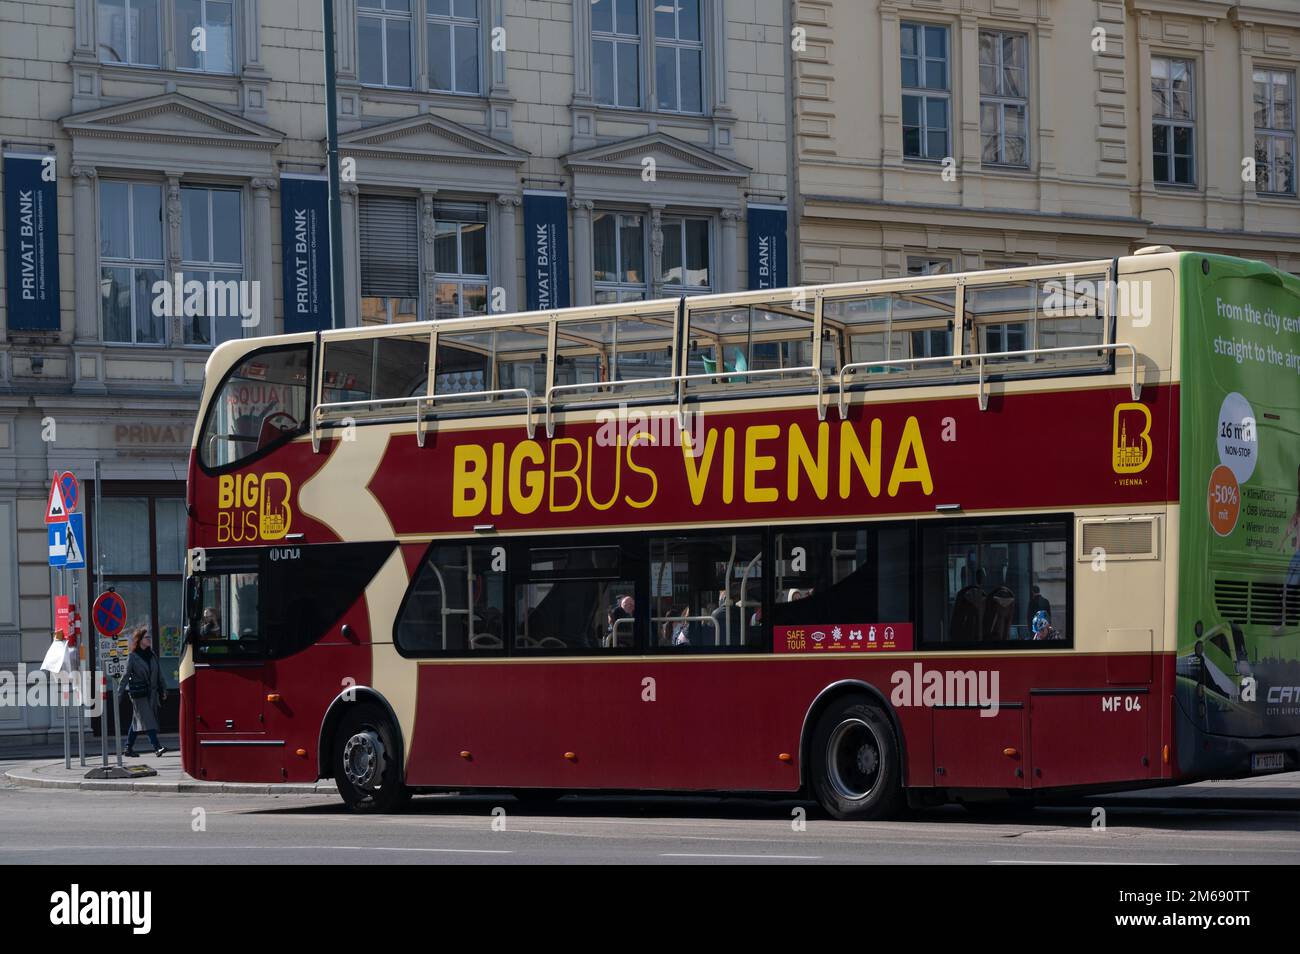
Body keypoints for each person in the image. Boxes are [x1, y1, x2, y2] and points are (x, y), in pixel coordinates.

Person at [118, 627, 167, 758]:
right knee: (148, 719)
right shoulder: (132, 657)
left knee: (137, 720)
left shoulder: (152, 655)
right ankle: (157, 747)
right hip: (139, 694)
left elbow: (159, 674)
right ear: (140, 640)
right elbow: (125, 677)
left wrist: (163, 688)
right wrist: (119, 694)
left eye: (150, 637)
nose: (149, 639)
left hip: (151, 693)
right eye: (147, 637)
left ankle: (128, 748)